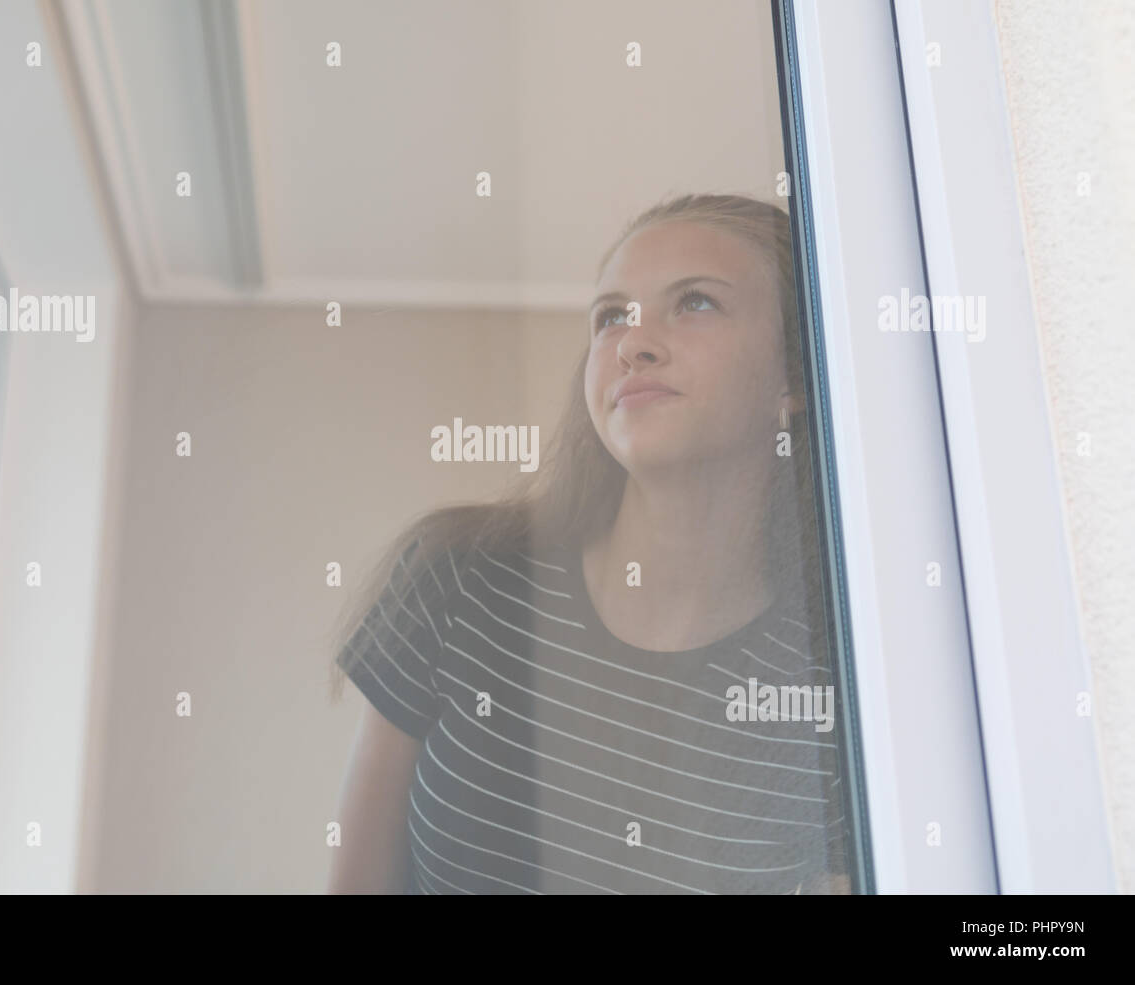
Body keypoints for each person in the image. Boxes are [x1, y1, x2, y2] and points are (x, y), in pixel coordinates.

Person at [326, 193, 850, 894]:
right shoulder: (459, 579)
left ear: (793, 373)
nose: (633, 342)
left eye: (695, 302)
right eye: (610, 317)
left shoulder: (834, 691)